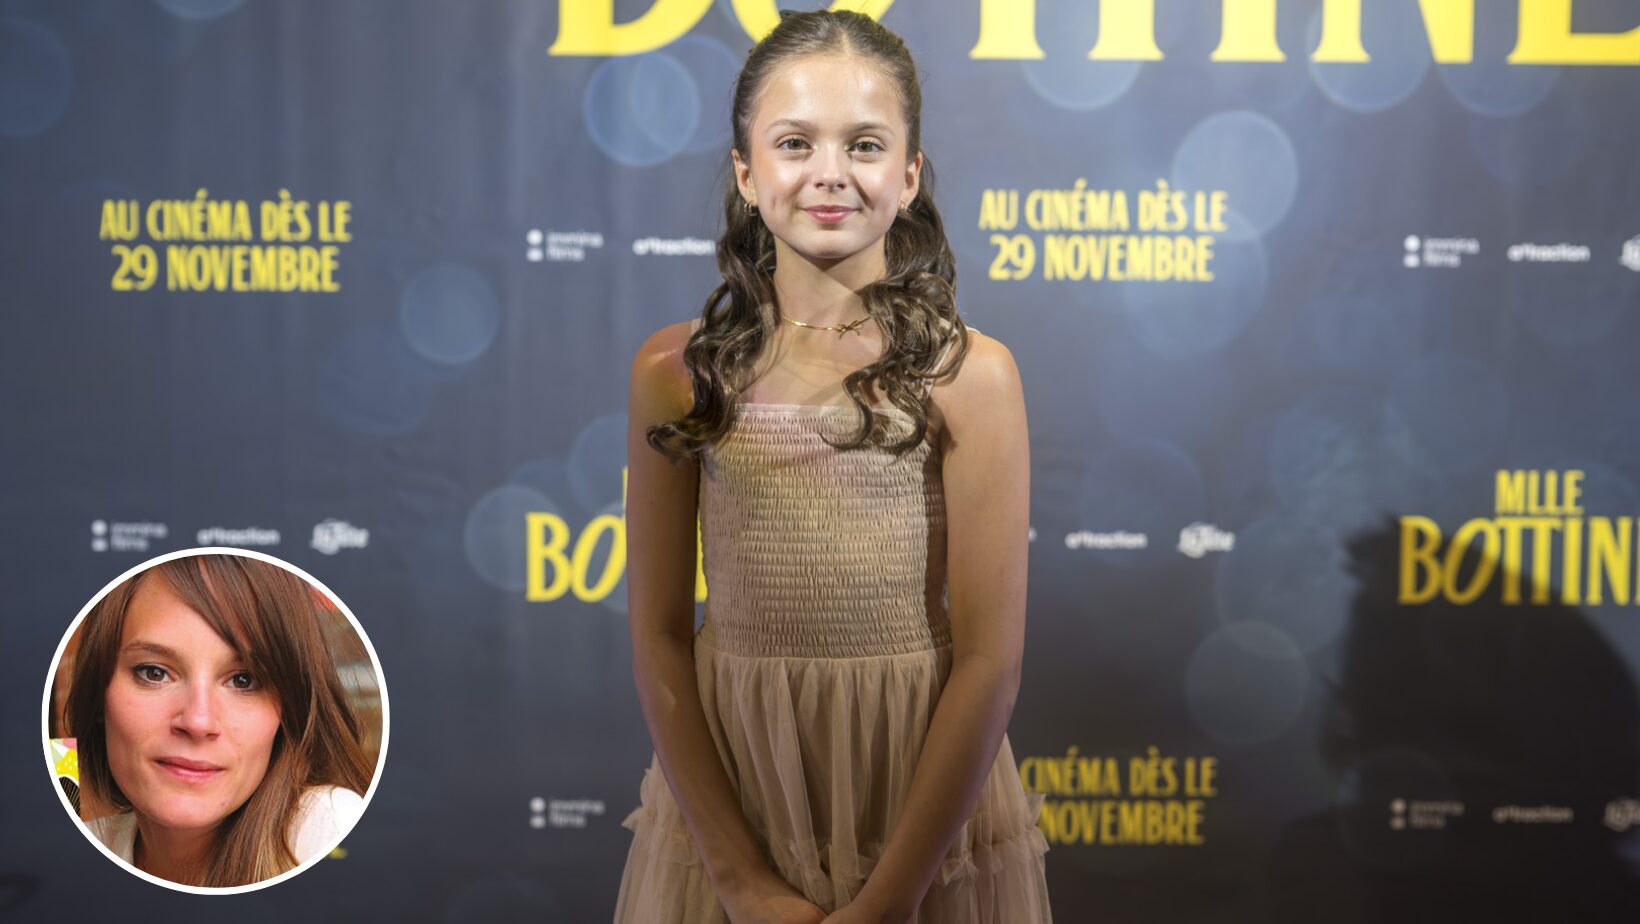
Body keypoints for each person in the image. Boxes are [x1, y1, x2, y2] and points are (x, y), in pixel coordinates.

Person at [617, 10, 1050, 924]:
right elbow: (656, 632)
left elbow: (989, 662)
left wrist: (892, 898)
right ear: (745, 171)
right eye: (792, 142)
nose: (829, 172)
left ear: (909, 171)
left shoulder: (974, 377)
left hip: (917, 800)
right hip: (734, 792)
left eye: (863, 143)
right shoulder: (678, 374)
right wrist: (739, 880)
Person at [64, 553, 374, 887]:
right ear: (99, 696)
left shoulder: (328, 827)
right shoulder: (74, 854)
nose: (198, 721)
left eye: (244, 680)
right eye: (154, 673)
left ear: (288, 711)